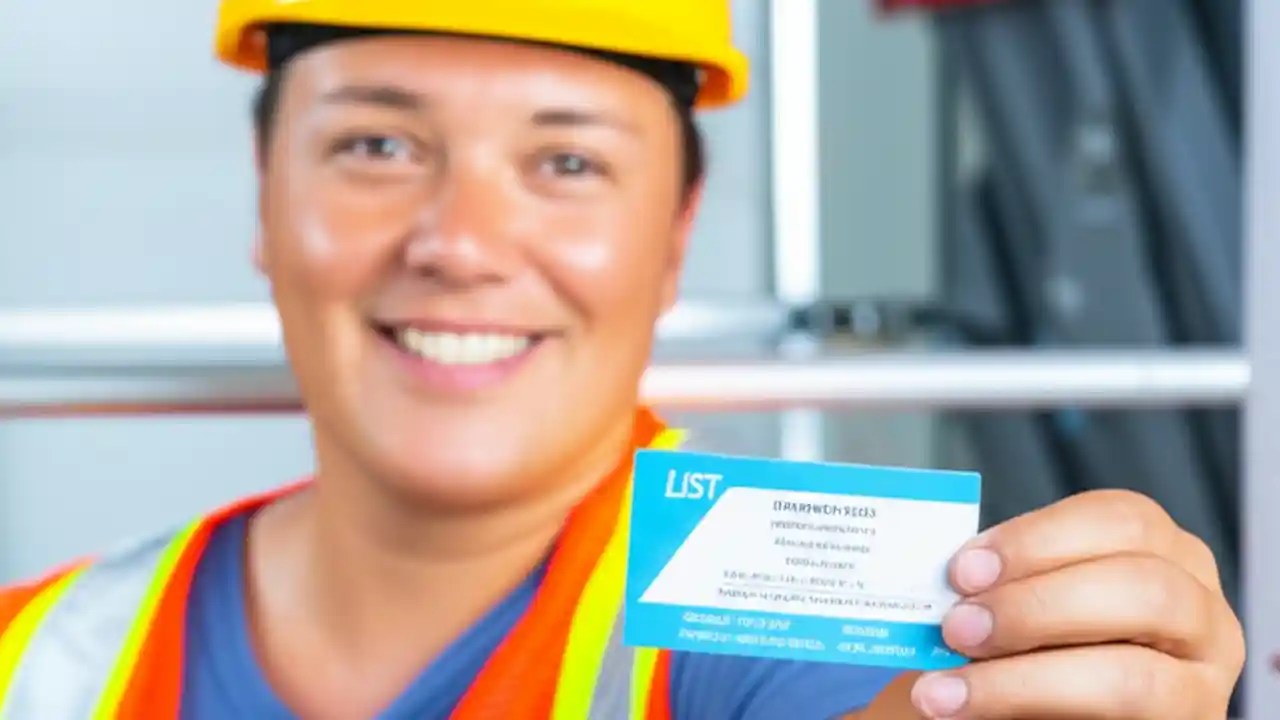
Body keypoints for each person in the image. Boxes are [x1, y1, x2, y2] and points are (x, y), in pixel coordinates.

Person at [0, 1, 1245, 718]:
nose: (461, 245)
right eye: (377, 146)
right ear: (266, 203)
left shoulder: (813, 628)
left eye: (566, 162)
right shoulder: (36, 658)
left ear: (671, 238)